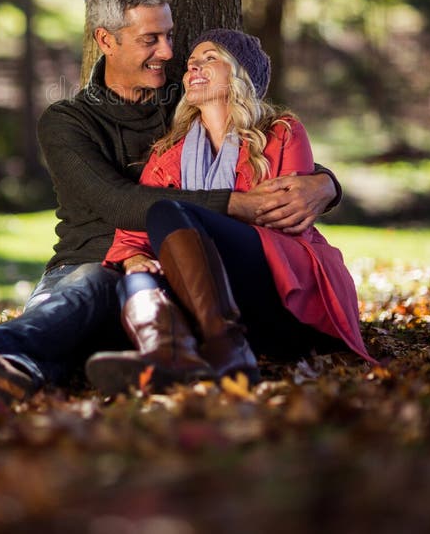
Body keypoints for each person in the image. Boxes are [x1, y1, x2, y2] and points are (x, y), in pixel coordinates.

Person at [0, 0, 341, 404]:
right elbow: (117, 201)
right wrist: (235, 204)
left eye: (168, 36)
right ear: (106, 41)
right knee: (81, 297)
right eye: (150, 40)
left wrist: (324, 184)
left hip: (166, 275)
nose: (168, 53)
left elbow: (250, 142)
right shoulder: (68, 121)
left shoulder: (182, 104)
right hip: (89, 264)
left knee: (84, 329)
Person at [86, 29, 372, 396]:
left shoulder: (281, 133)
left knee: (168, 210)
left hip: (281, 297)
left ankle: (223, 347)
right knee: (137, 279)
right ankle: (171, 355)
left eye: (209, 59)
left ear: (240, 74)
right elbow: (131, 236)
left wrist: (195, 220)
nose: (194, 68)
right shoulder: (166, 155)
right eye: (191, 64)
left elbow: (283, 217)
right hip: (217, 307)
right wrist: (135, 258)